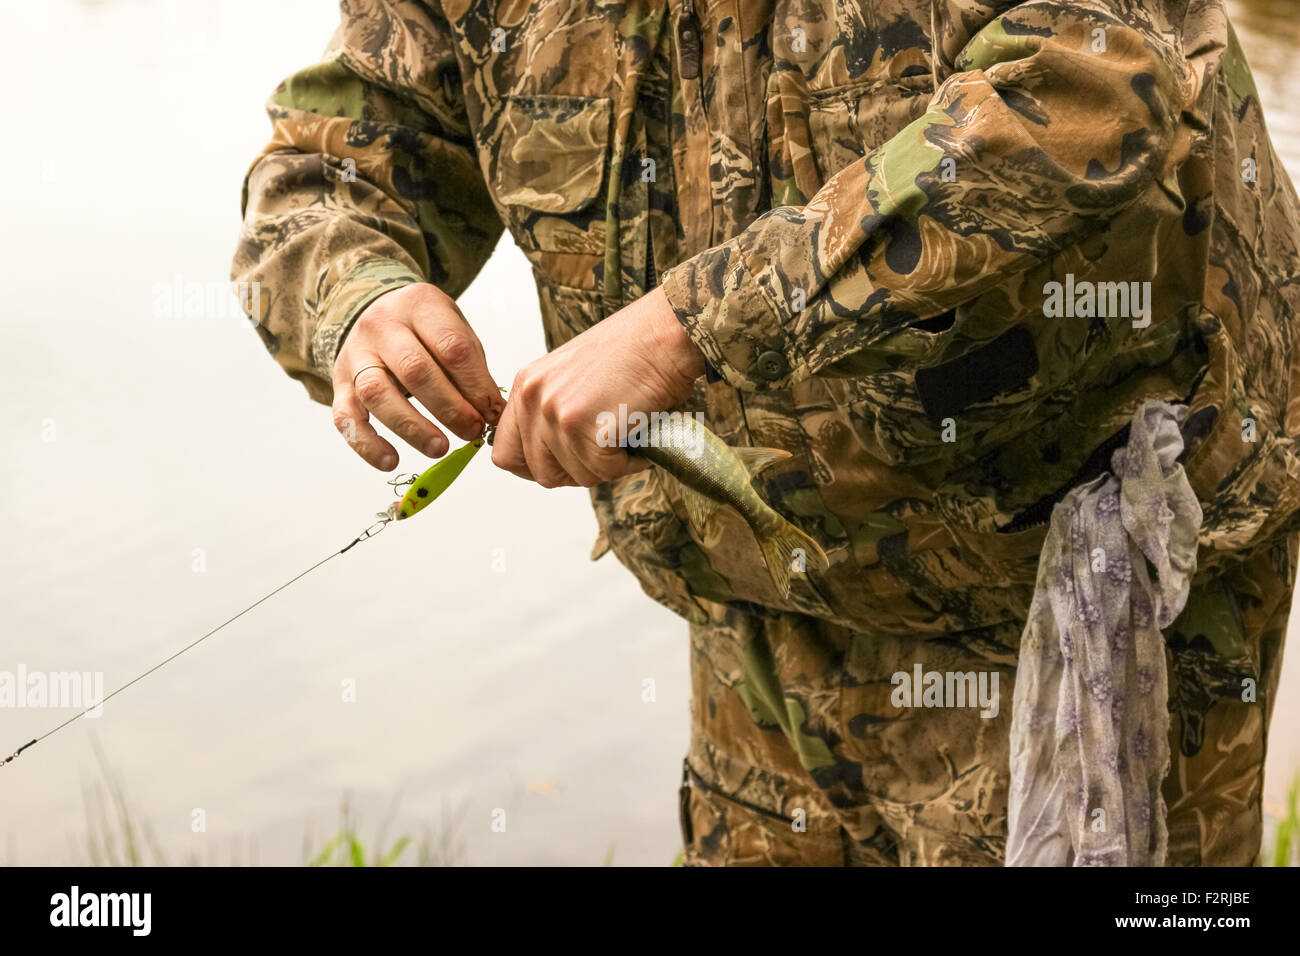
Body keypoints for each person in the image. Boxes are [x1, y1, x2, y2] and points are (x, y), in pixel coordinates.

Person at [233, 0, 1300, 865]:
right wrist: (360, 296)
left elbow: (1094, 77)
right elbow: (330, 162)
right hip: (758, 600)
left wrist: (687, 325)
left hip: (1082, 591)